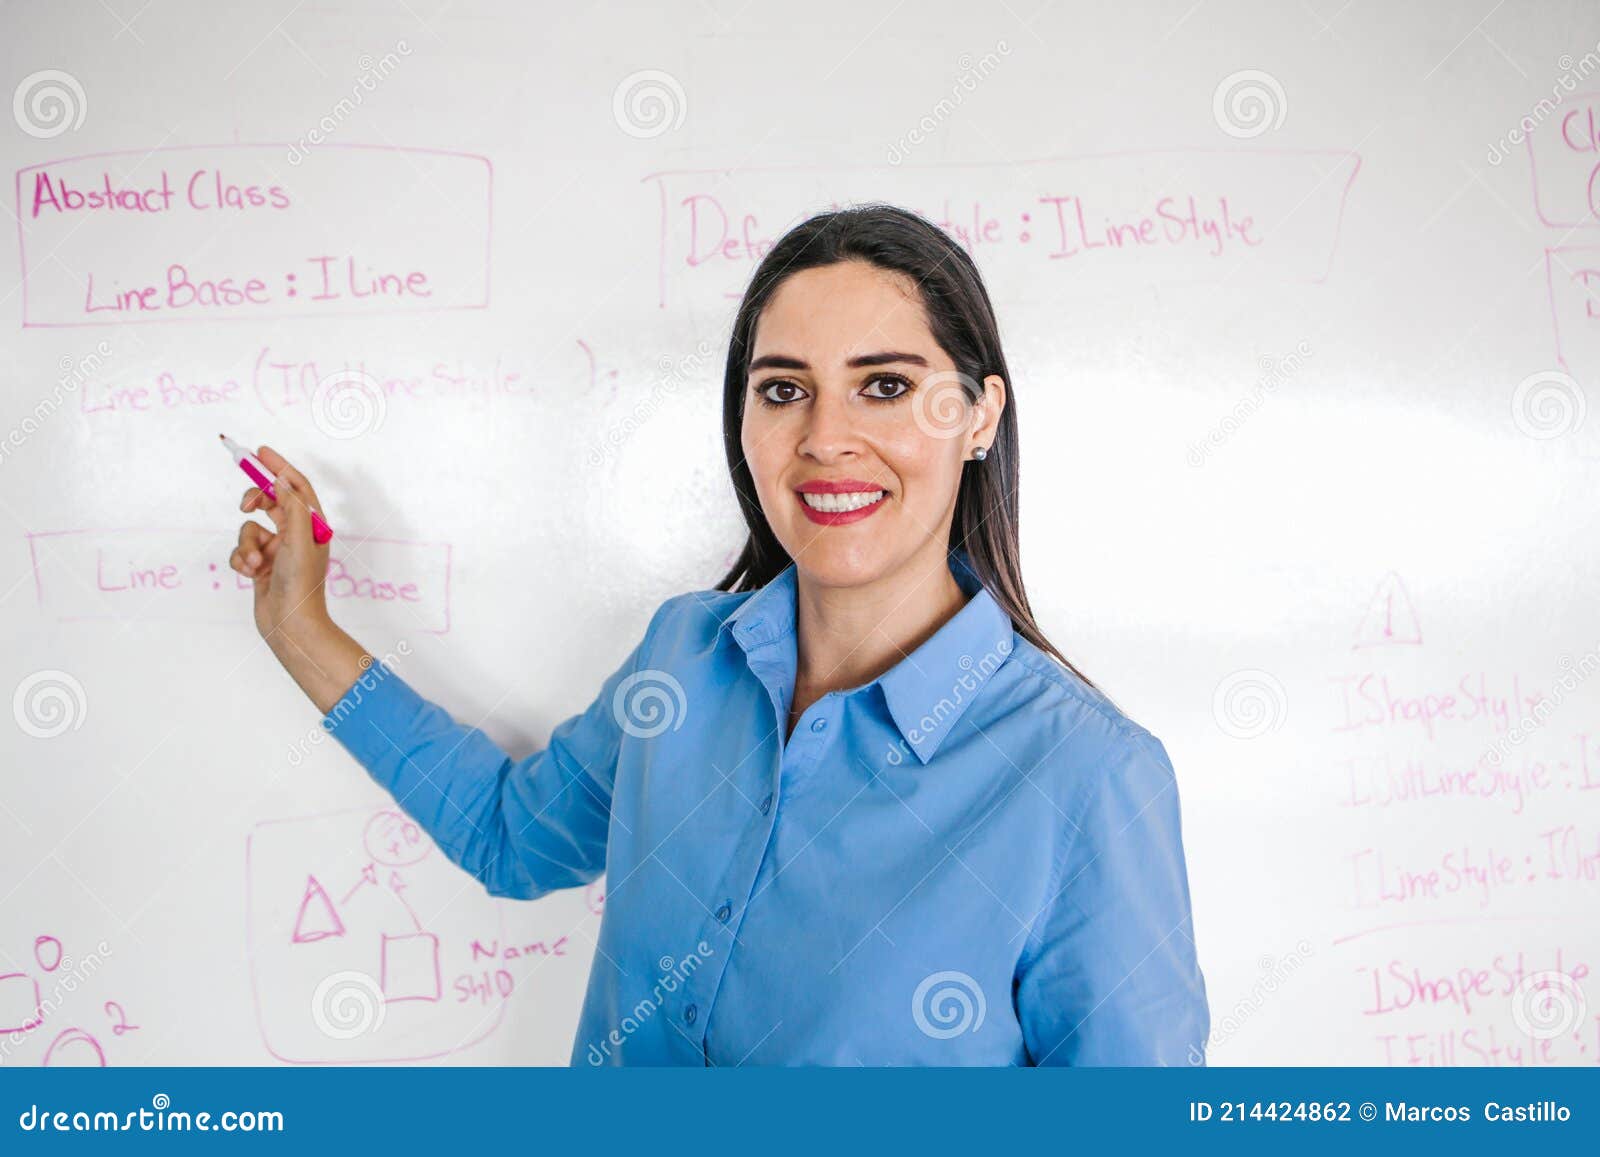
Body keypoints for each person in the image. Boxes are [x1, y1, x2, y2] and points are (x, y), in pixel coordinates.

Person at [229, 204, 1209, 1066]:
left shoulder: (1088, 776)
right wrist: (301, 628)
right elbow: (511, 837)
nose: (824, 436)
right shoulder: (683, 657)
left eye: (883, 386)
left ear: (979, 417)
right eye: (784, 389)